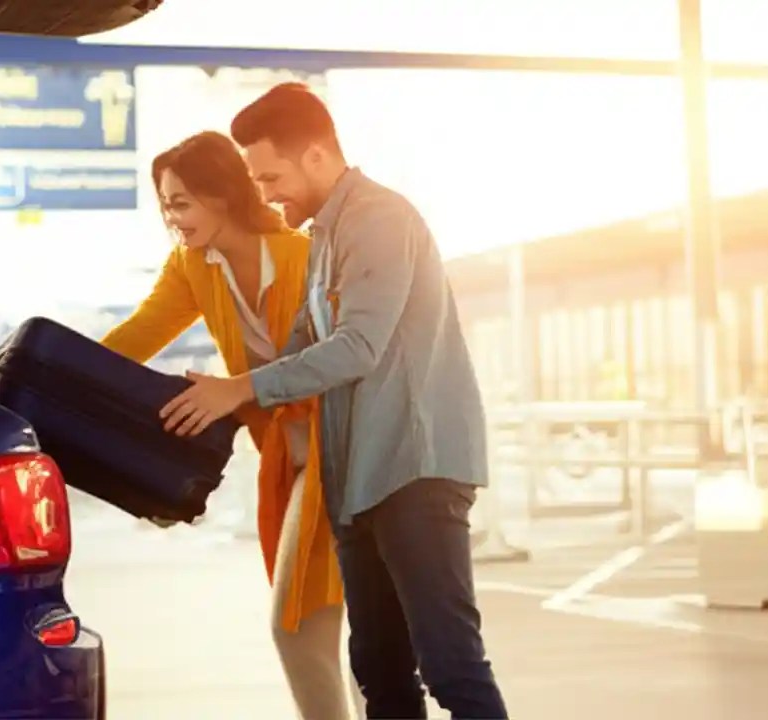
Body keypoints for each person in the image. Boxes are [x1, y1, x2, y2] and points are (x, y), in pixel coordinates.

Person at [158, 83, 510, 720]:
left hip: (415, 468)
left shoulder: (380, 219)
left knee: (449, 663)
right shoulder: (325, 237)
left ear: (317, 156)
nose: (264, 194)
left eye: (271, 176)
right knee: (378, 668)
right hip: (355, 482)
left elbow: (357, 348)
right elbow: (290, 357)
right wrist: (204, 402)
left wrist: (238, 389)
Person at [99, 130, 361, 720]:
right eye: (166, 205)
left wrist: (234, 394)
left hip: (351, 456)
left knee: (341, 631)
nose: (172, 218)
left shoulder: (304, 253)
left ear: (221, 195)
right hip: (292, 469)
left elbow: (342, 358)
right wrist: (57, 379)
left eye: (182, 202)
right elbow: (135, 339)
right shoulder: (193, 266)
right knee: (309, 626)